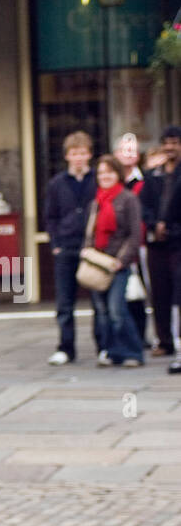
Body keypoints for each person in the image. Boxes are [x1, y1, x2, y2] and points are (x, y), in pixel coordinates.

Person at [44, 131, 98, 365]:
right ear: (67, 156)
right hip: (66, 246)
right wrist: (55, 244)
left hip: (92, 247)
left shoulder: (97, 179)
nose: (78, 158)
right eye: (74, 153)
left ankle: (103, 346)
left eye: (83, 153)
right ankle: (66, 347)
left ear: (89, 154)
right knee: (65, 303)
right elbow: (50, 216)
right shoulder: (57, 184)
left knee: (99, 301)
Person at [88, 155, 145, 367]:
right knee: (102, 312)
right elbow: (91, 230)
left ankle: (134, 352)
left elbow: (134, 234)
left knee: (117, 309)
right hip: (97, 263)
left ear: (118, 174)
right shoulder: (97, 200)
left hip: (118, 264)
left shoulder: (128, 199)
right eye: (101, 173)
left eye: (109, 172)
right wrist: (87, 251)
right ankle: (111, 352)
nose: (105, 176)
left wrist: (122, 259)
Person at [139, 125, 181, 360]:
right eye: (166, 142)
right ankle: (164, 341)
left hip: (178, 241)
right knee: (159, 293)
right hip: (156, 242)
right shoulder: (153, 176)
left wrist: (172, 227)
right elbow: (143, 205)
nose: (170, 147)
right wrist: (155, 224)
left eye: (175, 142)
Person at [113, 135, 149, 344]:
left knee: (142, 291)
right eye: (123, 150)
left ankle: (143, 335)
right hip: (117, 244)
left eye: (132, 150)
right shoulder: (111, 181)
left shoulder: (145, 181)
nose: (127, 154)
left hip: (141, 244)